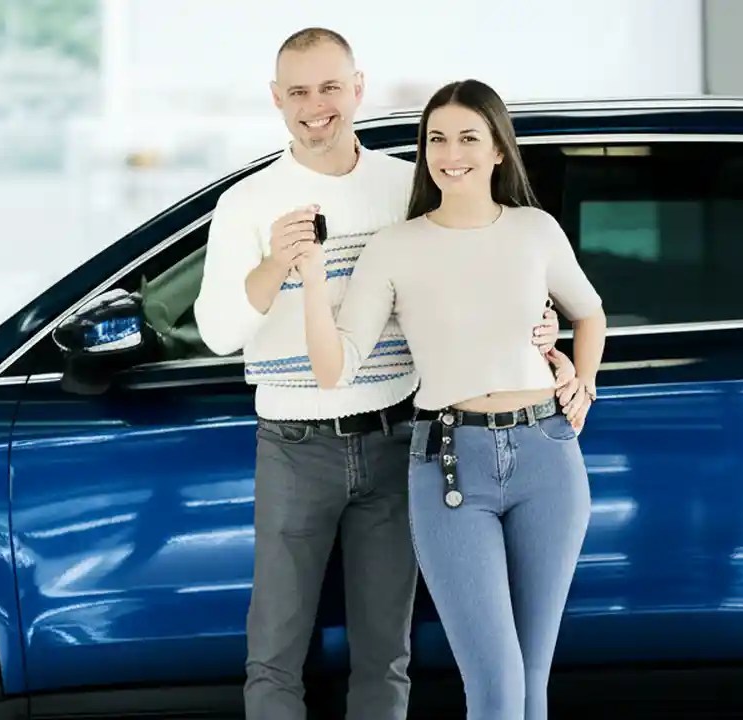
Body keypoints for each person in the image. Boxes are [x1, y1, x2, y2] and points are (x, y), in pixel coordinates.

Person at [193, 30, 572, 720]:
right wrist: (276, 264)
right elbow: (217, 332)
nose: (317, 106)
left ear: (357, 89)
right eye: (299, 92)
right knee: (274, 653)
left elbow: (486, 278)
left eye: (331, 88)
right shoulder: (247, 203)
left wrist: (551, 343)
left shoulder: (409, 186)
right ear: (276, 100)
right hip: (293, 444)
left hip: (405, 439)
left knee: (385, 652)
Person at [298, 78, 608, 720]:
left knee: (532, 682)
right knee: (495, 687)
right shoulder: (396, 246)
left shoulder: (534, 229)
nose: (450, 152)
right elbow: (335, 370)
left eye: (468, 137)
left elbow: (591, 312)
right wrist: (308, 279)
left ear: (498, 150)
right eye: (436, 139)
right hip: (448, 462)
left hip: (548, 455)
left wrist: (584, 378)